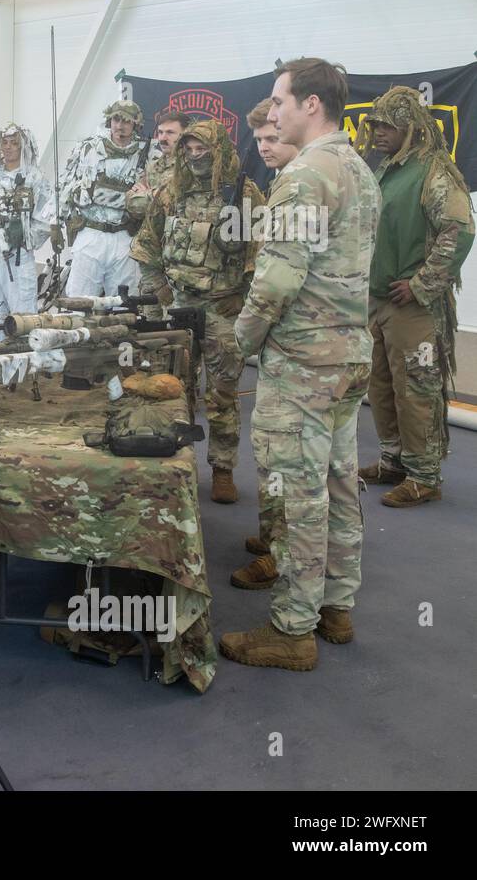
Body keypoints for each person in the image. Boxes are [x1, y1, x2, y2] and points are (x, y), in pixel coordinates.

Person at [220, 58, 380, 670]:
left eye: (279, 100)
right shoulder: (357, 170)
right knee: (339, 482)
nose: (274, 110)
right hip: (346, 358)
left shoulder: (306, 175)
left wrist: (243, 339)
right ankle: (336, 606)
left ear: (311, 104)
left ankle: (292, 630)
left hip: (304, 364)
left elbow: (279, 278)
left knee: (299, 494)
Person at [131, 120, 266, 504]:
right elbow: (146, 245)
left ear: (218, 149)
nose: (194, 157)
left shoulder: (242, 195)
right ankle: (180, 464)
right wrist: (158, 288)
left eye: (201, 150)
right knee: (175, 388)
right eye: (188, 150)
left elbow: (263, 253)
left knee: (222, 393)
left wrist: (244, 296)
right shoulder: (170, 193)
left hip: (222, 309)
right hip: (179, 306)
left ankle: (222, 469)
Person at [354, 86, 474, 508]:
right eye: (375, 125)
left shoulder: (433, 170)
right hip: (378, 300)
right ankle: (393, 461)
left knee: (417, 390)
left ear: (410, 127)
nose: (379, 132)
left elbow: (460, 231)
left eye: (387, 125)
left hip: (414, 307)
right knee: (382, 386)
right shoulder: (386, 168)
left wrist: (422, 284)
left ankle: (424, 476)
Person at [233, 97, 304, 586]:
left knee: (287, 457)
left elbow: (276, 279)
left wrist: (245, 336)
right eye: (258, 140)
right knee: (295, 459)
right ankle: (276, 536)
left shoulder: (299, 187)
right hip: (315, 346)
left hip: (299, 348)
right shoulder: (301, 179)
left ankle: (283, 555)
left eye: (273, 137)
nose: (265, 147)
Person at [50, 100, 148, 297]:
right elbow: (65, 184)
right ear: (109, 121)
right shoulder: (88, 148)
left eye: (126, 121)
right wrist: (55, 223)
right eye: (116, 119)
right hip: (91, 234)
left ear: (135, 124)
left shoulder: (146, 155)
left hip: (124, 236)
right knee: (79, 300)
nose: (120, 126)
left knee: (124, 303)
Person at [0, 123, 51, 338]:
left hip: (18, 256)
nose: (7, 148)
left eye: (13, 143)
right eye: (4, 143)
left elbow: (47, 217)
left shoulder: (34, 178)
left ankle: (23, 363)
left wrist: (26, 235)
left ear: (23, 147)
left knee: (23, 314)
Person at [126, 109, 191, 223]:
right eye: (160, 132)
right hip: (151, 235)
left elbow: (173, 206)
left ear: (185, 135)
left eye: (170, 132)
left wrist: (146, 194)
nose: (162, 138)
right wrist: (154, 197)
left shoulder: (191, 167)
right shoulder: (153, 167)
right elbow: (131, 204)